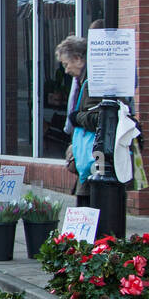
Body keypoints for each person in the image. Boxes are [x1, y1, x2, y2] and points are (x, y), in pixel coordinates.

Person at [57, 35, 96, 207]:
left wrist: (75, 118)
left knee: (88, 200)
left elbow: (97, 117)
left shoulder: (92, 82)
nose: (66, 70)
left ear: (78, 58)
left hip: (94, 153)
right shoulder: (82, 81)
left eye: (66, 64)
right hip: (90, 152)